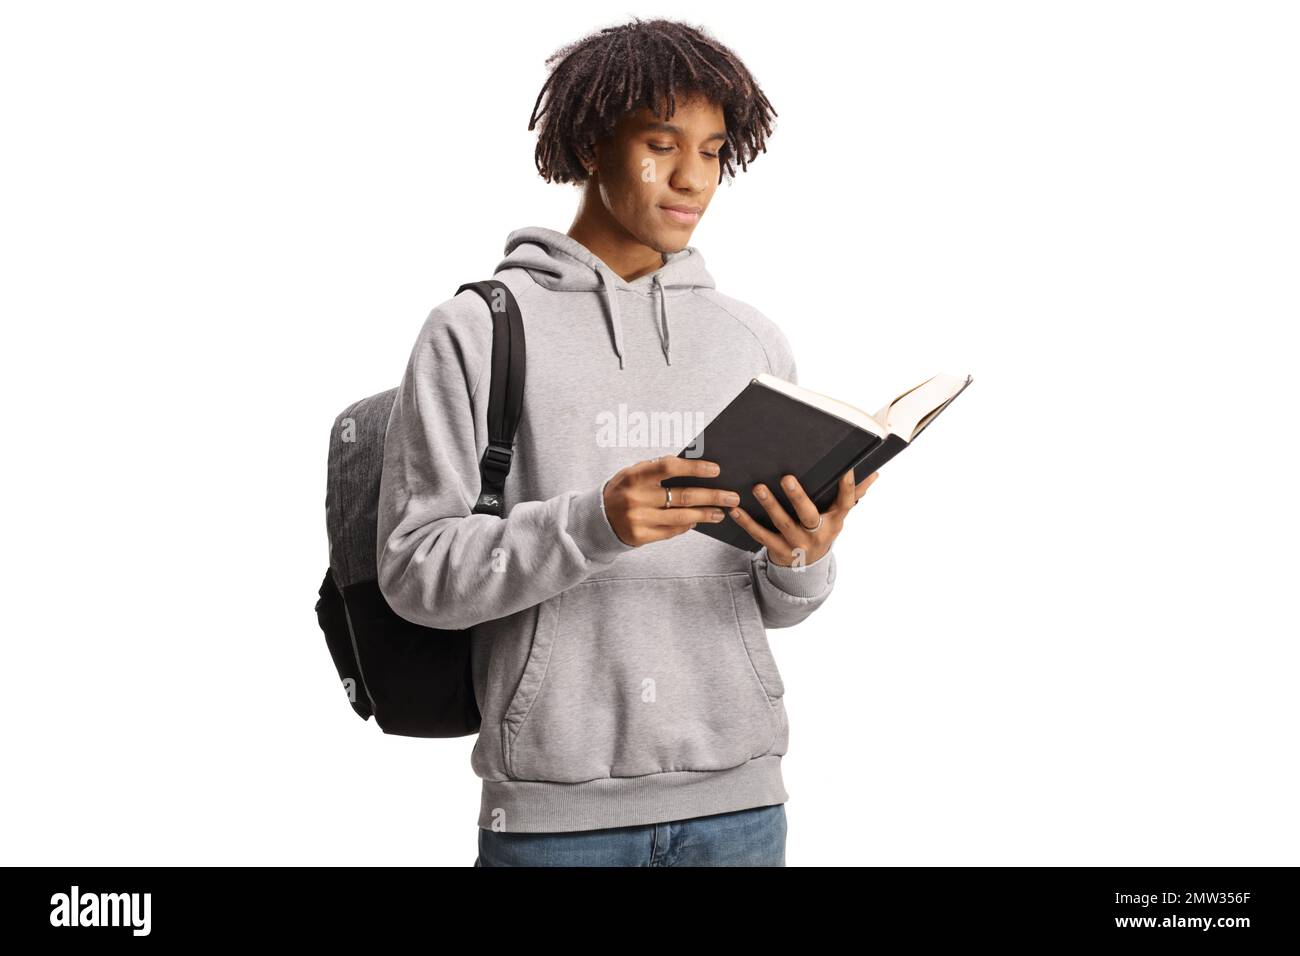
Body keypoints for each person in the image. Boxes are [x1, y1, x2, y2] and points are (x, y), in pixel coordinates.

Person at [376, 17, 878, 867]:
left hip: (742, 807)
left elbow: (775, 605)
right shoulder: (475, 331)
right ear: (590, 142)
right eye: (660, 143)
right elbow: (415, 571)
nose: (693, 178)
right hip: (551, 822)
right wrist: (593, 524)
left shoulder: (750, 340)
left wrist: (802, 558)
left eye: (715, 151)